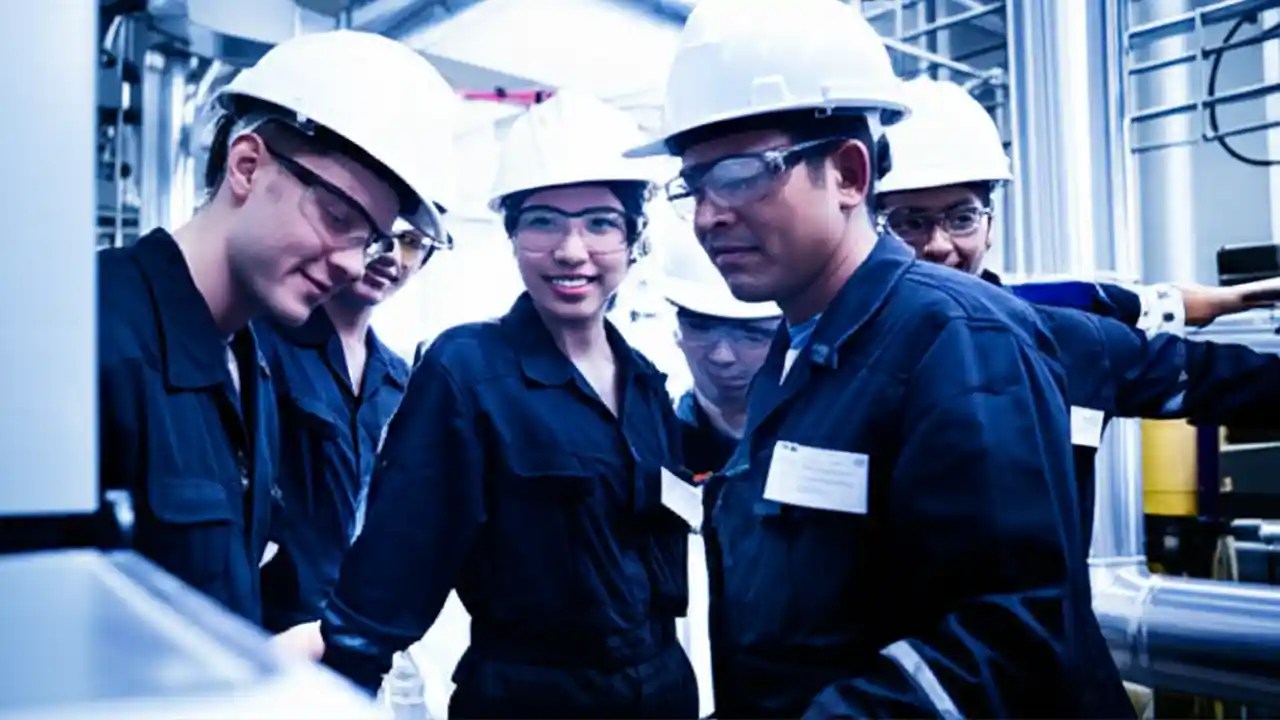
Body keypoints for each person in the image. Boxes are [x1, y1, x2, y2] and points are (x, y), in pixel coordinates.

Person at [628, 0, 1131, 717]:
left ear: (848, 173)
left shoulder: (958, 340)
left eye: (739, 175)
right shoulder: (799, 354)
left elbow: (1008, 635)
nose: (709, 214)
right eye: (696, 185)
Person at [317, 90, 700, 719]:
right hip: (530, 700)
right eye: (543, 221)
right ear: (513, 235)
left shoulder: (646, 384)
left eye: (600, 223)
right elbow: (394, 569)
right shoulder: (467, 371)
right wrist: (338, 688)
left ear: (635, 238)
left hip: (661, 694)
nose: (571, 250)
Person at [96, 29, 458, 624]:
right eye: (337, 217)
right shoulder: (91, 335)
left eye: (370, 241)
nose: (353, 264)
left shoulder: (248, 370)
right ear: (246, 166)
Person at [875, 76, 1280, 534]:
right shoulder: (838, 354)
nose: (938, 244)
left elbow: (1218, 378)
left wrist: (1233, 299)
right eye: (909, 222)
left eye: (962, 217)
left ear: (989, 226)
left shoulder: (1068, 343)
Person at [258, 223, 442, 633]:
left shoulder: (401, 381)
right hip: (259, 625)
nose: (392, 256)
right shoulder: (262, 341)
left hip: (346, 631)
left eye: (412, 243)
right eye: (383, 235)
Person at [661, 229, 782, 477]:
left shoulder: (834, 430)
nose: (721, 356)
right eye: (701, 329)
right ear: (677, 332)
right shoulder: (651, 437)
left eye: (751, 335)